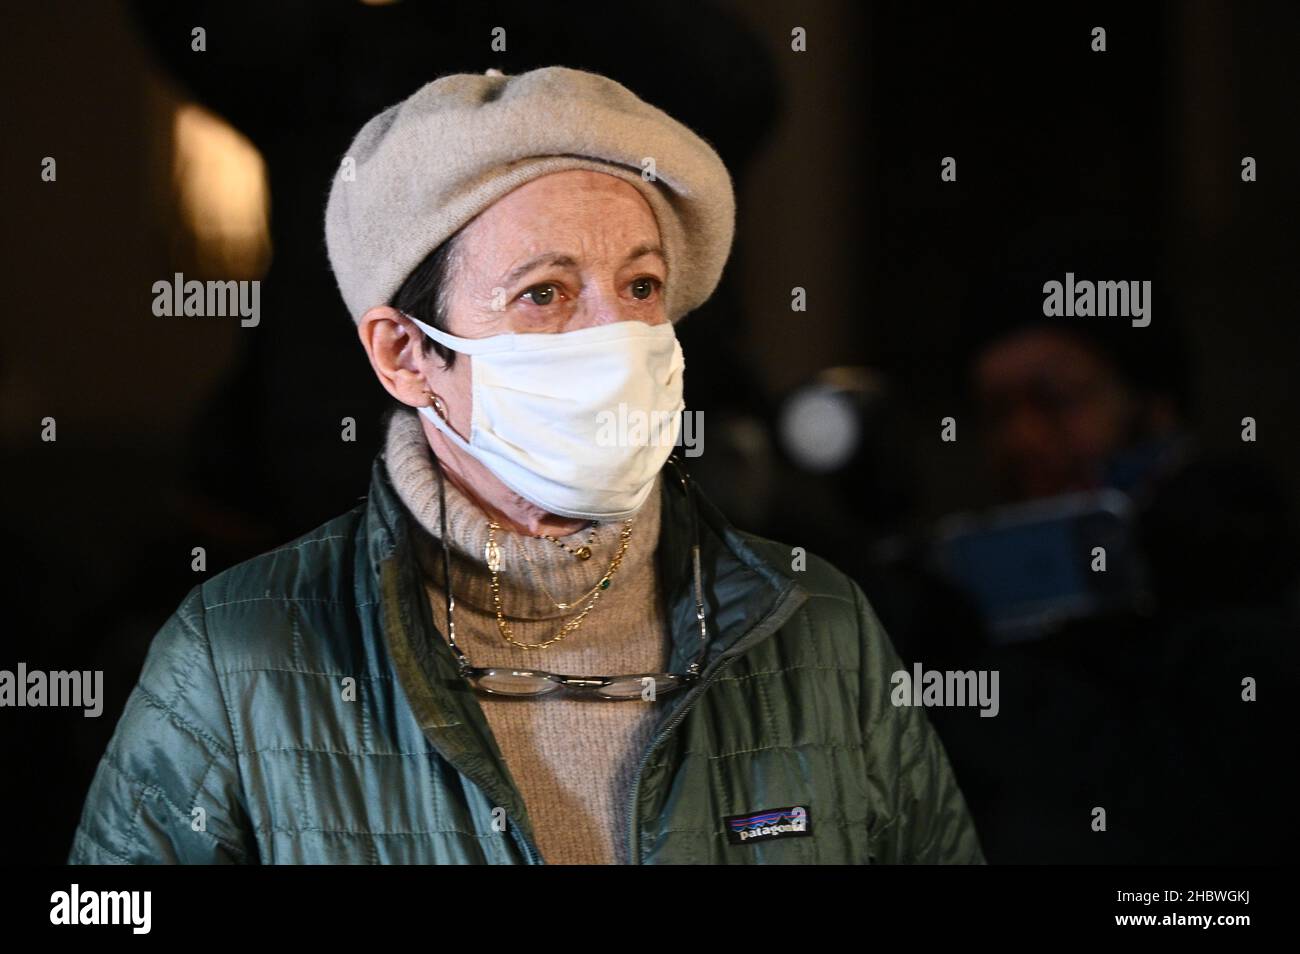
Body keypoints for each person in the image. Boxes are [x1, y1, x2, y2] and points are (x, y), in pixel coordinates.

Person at [68, 66, 984, 865]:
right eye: (543, 293)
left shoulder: (817, 629)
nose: (616, 337)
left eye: (640, 287)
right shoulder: (237, 660)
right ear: (405, 354)